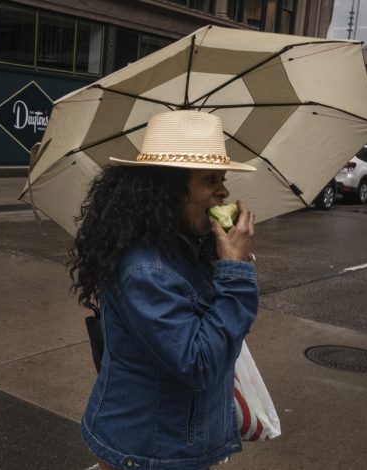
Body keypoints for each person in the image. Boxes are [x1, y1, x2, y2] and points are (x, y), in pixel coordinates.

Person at [69, 110, 259, 470]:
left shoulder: (183, 244)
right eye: (210, 180)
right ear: (169, 190)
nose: (224, 191)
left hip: (172, 442)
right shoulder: (145, 270)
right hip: (149, 451)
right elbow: (200, 363)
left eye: (223, 178)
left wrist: (231, 261)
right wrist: (235, 271)